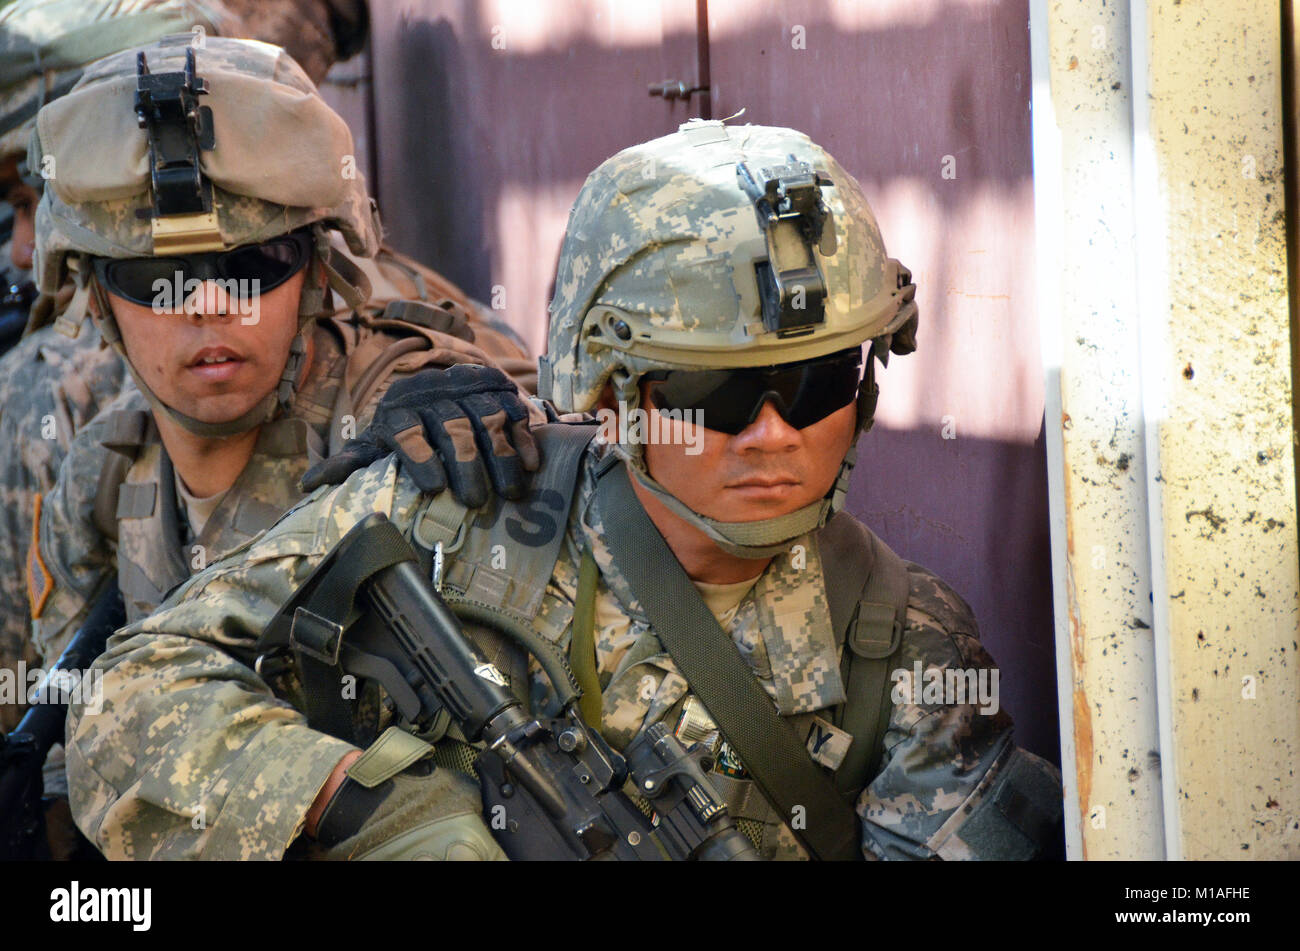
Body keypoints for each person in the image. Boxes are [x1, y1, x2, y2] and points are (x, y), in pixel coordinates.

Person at [65, 121, 1062, 860]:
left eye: (818, 384)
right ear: (613, 391)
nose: (773, 435)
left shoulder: (904, 646)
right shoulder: (456, 511)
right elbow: (128, 694)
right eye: (714, 392)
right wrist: (371, 806)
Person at [0, 2, 537, 733]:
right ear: (97, 301)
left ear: (317, 276)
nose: (211, 304)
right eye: (157, 277)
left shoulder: (399, 412)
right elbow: (69, 746)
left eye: (253, 263)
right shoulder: (98, 475)